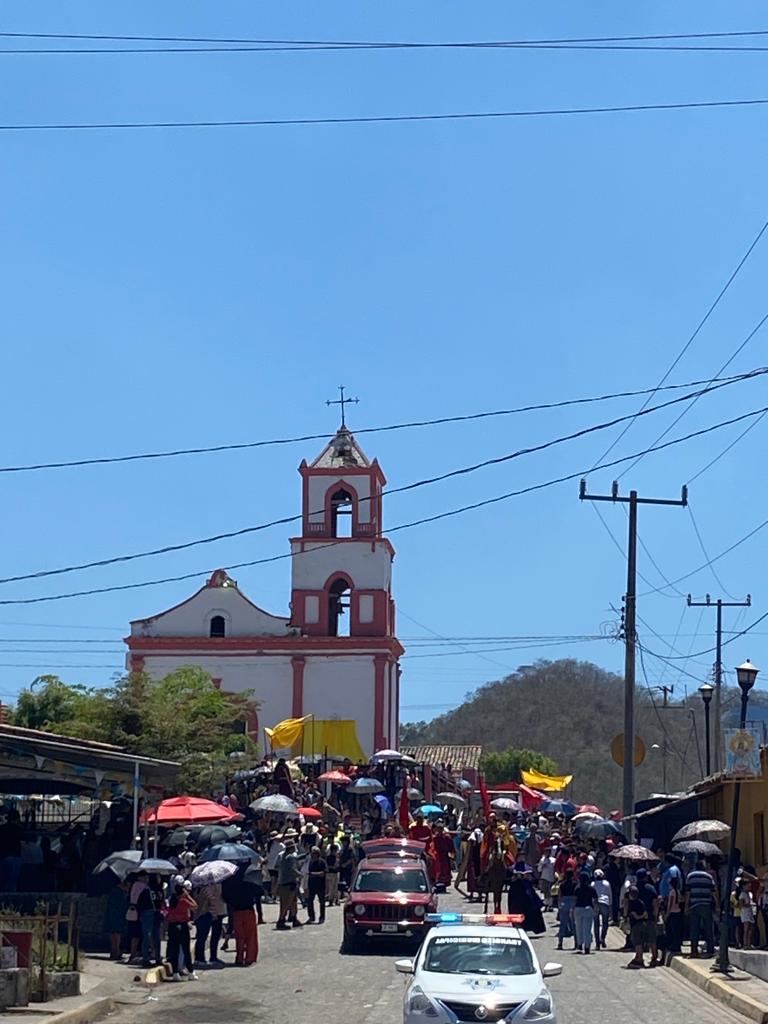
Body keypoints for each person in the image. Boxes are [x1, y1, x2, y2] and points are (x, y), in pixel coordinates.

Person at [221, 865, 259, 966]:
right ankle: (249, 958)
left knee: (239, 936)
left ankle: (239, 957)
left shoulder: (230, 881)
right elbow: (259, 892)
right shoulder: (250, 880)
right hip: (248, 910)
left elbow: (225, 897)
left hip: (237, 911)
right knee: (250, 936)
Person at [685, 859, 718, 958]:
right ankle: (710, 950)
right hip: (706, 905)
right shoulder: (709, 877)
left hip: (694, 905)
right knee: (709, 928)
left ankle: (694, 951)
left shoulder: (690, 876)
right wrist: (717, 905)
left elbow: (688, 893)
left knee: (694, 929)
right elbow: (714, 892)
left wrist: (687, 906)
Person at [166, 880, 197, 981]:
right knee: (186, 950)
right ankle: (191, 972)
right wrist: (188, 895)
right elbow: (195, 906)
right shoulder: (183, 901)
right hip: (182, 925)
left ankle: (175, 973)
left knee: (174, 950)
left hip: (172, 926)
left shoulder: (172, 900)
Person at [507, 862, 546, 935]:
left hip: (527, 893)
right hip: (515, 894)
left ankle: (529, 927)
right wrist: (513, 879)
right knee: (516, 911)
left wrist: (529, 878)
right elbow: (505, 880)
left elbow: (535, 881)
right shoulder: (511, 869)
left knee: (531, 911)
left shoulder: (529, 868)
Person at [194, 882, 226, 965]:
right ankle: (200, 958)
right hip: (207, 914)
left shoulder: (204, 886)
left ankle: (211, 957)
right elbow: (211, 902)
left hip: (209, 914)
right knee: (203, 936)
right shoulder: (205, 887)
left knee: (210, 936)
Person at [634, 869, 660, 967]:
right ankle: (654, 958)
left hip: (636, 918)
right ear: (645, 877)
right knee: (652, 939)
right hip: (649, 917)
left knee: (638, 940)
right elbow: (655, 903)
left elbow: (627, 901)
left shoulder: (633, 888)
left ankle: (639, 958)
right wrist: (656, 916)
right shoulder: (651, 888)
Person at [275, 836, 303, 930]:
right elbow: (293, 869)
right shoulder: (291, 857)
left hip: (283, 882)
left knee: (293, 902)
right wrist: (300, 875)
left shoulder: (283, 856)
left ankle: (294, 919)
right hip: (289, 882)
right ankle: (281, 920)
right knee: (286, 903)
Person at [573, 871, 598, 954]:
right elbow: (595, 901)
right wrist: (595, 910)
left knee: (578, 928)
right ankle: (587, 947)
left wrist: (572, 910)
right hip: (588, 909)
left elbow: (574, 900)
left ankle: (580, 944)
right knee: (587, 929)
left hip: (578, 909)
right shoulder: (591, 889)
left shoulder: (577, 888)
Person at [0, 810, 24, 893]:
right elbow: (22, 843)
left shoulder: (1, 829)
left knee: (3, 881)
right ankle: (10, 902)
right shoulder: (19, 829)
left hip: (3, 857)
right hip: (15, 857)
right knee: (12, 882)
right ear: (17, 819)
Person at [626, 884, 650, 969]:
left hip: (636, 925)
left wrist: (637, 916)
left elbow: (641, 915)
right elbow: (645, 914)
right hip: (641, 924)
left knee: (638, 944)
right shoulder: (640, 902)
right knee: (639, 943)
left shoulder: (634, 903)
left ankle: (639, 959)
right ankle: (638, 958)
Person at [104, 880, 128, 960]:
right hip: (118, 913)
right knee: (117, 932)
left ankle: (113, 950)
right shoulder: (119, 892)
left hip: (112, 913)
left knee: (113, 932)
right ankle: (116, 951)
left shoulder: (113, 890)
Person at [428, 822, 455, 890]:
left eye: (441, 829)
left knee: (445, 871)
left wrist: (452, 855)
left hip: (445, 857)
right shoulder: (435, 838)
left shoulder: (447, 837)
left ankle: (444, 885)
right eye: (438, 829)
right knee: (438, 871)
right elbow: (432, 847)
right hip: (437, 857)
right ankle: (438, 885)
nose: (439, 830)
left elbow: (451, 847)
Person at [663, 873, 683, 961]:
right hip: (678, 912)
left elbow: (670, 904)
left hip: (672, 913)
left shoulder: (672, 892)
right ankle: (677, 945)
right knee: (677, 930)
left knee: (672, 930)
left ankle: (674, 945)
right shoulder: (678, 891)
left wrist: (667, 914)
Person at [306, 846, 327, 924]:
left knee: (322, 902)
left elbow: (323, 873)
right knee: (309, 901)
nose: (313, 855)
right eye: (312, 853)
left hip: (320, 885)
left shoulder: (322, 862)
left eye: (314, 853)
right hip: (311, 885)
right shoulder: (311, 862)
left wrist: (314, 874)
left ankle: (322, 917)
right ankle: (311, 916)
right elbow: (309, 872)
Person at [556, 870, 577, 951]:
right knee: (574, 924)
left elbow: (559, 895)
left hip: (564, 902)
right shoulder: (575, 884)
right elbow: (576, 895)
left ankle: (560, 943)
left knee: (563, 924)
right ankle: (576, 943)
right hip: (572, 902)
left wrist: (559, 905)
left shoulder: (562, 884)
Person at [592, 869, 611, 950]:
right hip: (605, 902)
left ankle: (597, 944)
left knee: (596, 923)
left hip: (595, 903)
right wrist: (610, 904)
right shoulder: (607, 883)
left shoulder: (592, 884)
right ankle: (602, 937)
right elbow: (610, 894)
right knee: (605, 923)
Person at [265, 831, 284, 902]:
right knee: (276, 881)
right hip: (276, 865)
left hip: (269, 865)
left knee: (272, 881)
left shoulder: (268, 845)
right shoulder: (281, 845)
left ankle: (272, 895)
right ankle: (274, 895)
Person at [739, 878, 756, 949]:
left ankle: (749, 944)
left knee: (751, 929)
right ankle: (745, 944)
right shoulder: (742, 894)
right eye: (747, 884)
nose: (749, 885)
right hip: (745, 913)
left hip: (751, 912)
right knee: (746, 929)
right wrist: (750, 904)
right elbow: (741, 905)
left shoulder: (750, 894)